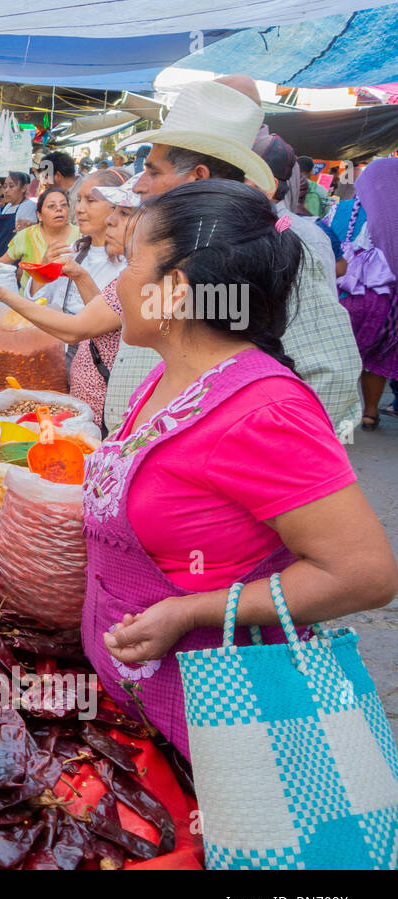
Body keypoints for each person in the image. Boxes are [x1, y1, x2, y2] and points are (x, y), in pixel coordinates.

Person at [82, 179, 398, 756]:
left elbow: (364, 574)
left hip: (229, 730)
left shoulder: (264, 411)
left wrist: (191, 611)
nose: (116, 284)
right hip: (136, 713)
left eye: (129, 263)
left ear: (174, 291)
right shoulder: (170, 377)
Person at [109, 79, 362, 434]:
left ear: (198, 177)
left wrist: (231, 458)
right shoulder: (163, 236)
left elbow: (331, 377)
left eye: (153, 171)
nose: (138, 184)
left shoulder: (267, 241)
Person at [0, 171, 136, 429]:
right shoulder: (75, 250)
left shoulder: (130, 267)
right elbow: (42, 301)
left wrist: (5, 296)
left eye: (90, 201)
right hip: (64, 358)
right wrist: (43, 272)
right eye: (78, 200)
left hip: (104, 375)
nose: (79, 209)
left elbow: (84, 326)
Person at [337, 158, 398, 430]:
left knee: (343, 355)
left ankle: (337, 414)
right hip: (389, 302)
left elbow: (332, 245)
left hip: (347, 296)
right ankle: (370, 413)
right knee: (375, 358)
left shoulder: (346, 209)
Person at [0, 187, 79, 296]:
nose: (59, 209)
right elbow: (2, 263)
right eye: (51, 206)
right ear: (39, 215)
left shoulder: (81, 236)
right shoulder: (26, 236)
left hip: (68, 307)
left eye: (63, 205)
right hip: (30, 305)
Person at [0, 171, 37, 261]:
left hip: (13, 260)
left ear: (23, 188)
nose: (6, 190)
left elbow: (27, 240)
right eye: (5, 186)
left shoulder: (28, 206)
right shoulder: (7, 206)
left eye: (11, 186)